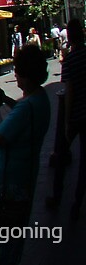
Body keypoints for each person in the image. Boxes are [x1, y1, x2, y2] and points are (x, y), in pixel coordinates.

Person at [0, 44, 51, 265]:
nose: (15, 75)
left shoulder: (26, 108)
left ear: (26, 75)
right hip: (25, 178)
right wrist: (7, 100)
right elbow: (21, 113)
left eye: (17, 71)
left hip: (10, 185)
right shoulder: (40, 99)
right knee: (13, 239)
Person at [61, 19, 85, 220]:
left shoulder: (69, 61)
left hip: (78, 114)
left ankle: (67, 197)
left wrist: (67, 120)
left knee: (62, 153)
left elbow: (69, 92)